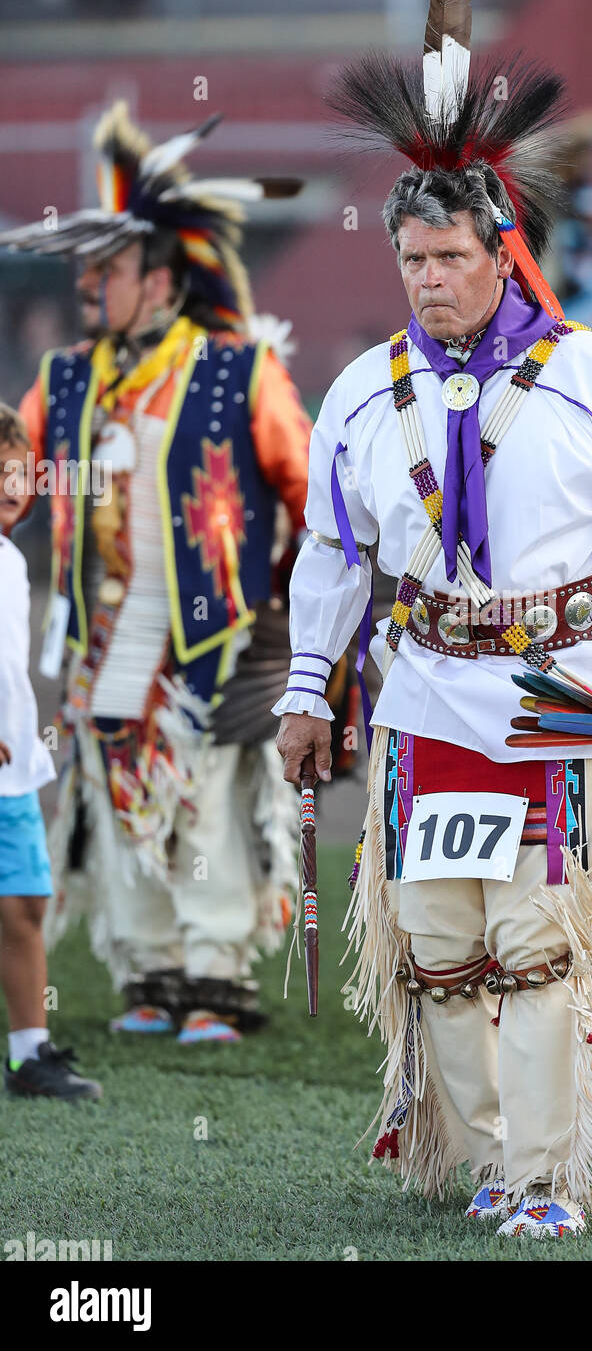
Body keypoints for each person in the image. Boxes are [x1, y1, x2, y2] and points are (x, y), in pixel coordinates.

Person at [273, 0, 592, 1238]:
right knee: (436, 944)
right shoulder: (361, 391)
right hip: (421, 693)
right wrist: (311, 689)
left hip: (560, 693)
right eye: (409, 256)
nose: (425, 279)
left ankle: (541, 1174)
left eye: (449, 257)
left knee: (534, 943)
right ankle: (473, 1158)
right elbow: (333, 552)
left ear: (499, 249)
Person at [1, 103, 312, 1043]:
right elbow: (10, 464)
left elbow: (306, 489)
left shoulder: (236, 373)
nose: (91, 284)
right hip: (101, 634)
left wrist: (301, 611)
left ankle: (216, 971)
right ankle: (150, 970)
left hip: (216, 627)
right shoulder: (64, 380)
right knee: (114, 788)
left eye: (112, 269)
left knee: (209, 793)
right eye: (86, 270)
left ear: (166, 281)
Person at [1, 404, 101, 1099]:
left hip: (13, 770)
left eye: (18, 471)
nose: (13, 485)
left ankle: (29, 1054)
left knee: (27, 902)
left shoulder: (11, 559)